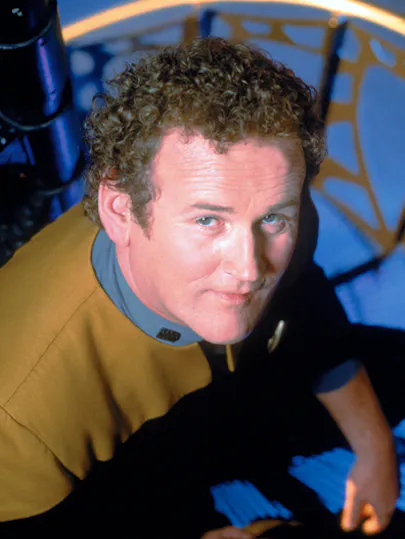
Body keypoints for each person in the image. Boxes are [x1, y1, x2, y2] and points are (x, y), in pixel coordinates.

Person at [0, 37, 398, 536]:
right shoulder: (18, 416)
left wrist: (375, 446)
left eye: (274, 218)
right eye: (209, 219)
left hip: (247, 390)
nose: (249, 267)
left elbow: (310, 318)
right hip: (119, 490)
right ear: (120, 211)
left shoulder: (269, 203)